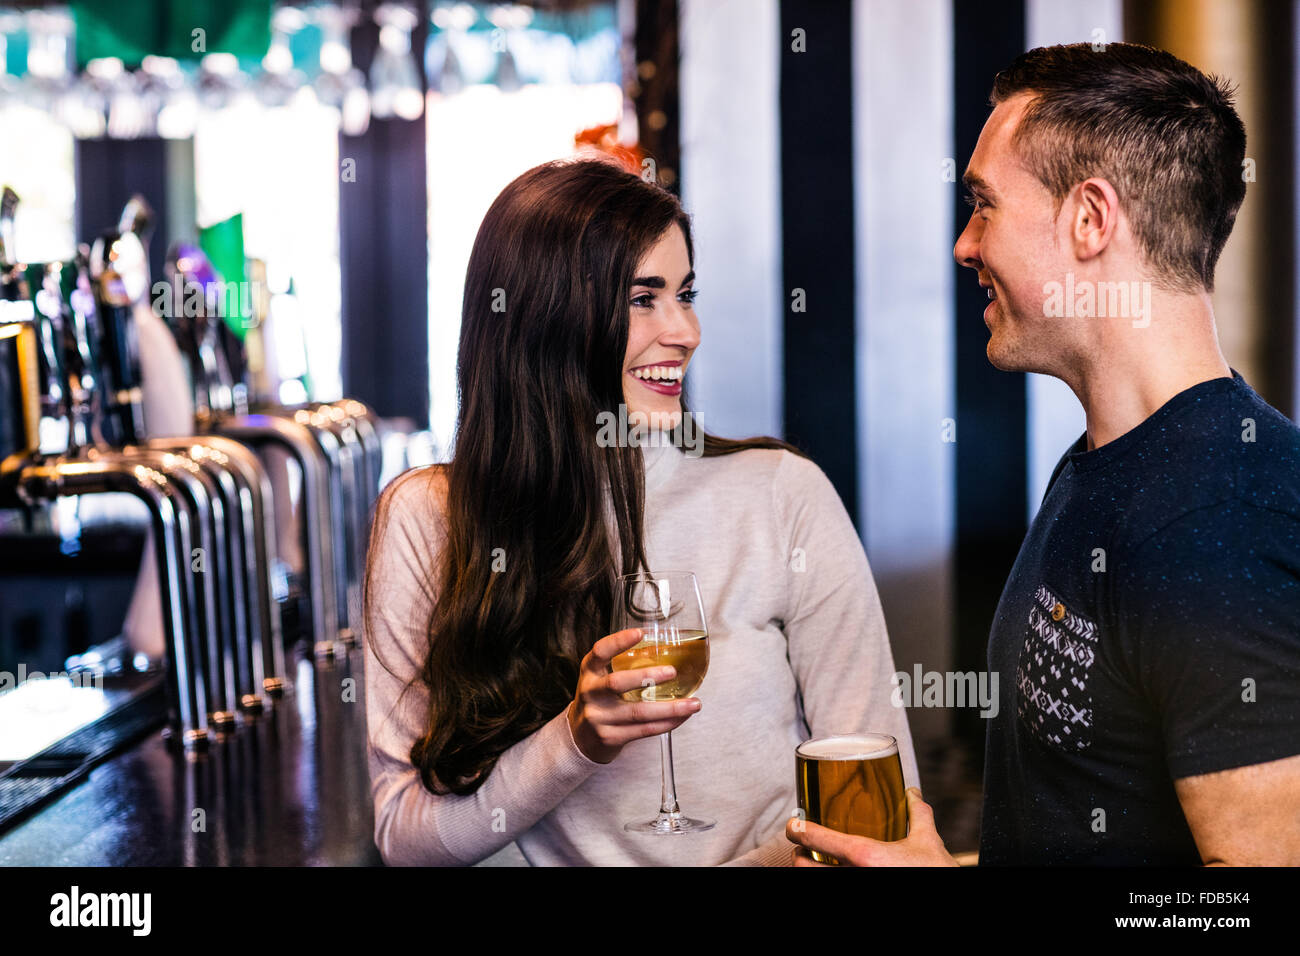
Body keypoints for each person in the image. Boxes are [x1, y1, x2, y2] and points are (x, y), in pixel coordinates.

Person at [788, 42, 1300, 866]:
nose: (964, 243)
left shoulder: (1226, 521)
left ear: (1090, 219)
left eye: (984, 204)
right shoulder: (1107, 463)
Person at [364, 156, 917, 866]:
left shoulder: (781, 493)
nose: (684, 330)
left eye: (685, 294)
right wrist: (574, 741)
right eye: (642, 298)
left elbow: (872, 799)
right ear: (545, 316)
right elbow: (406, 838)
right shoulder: (428, 519)